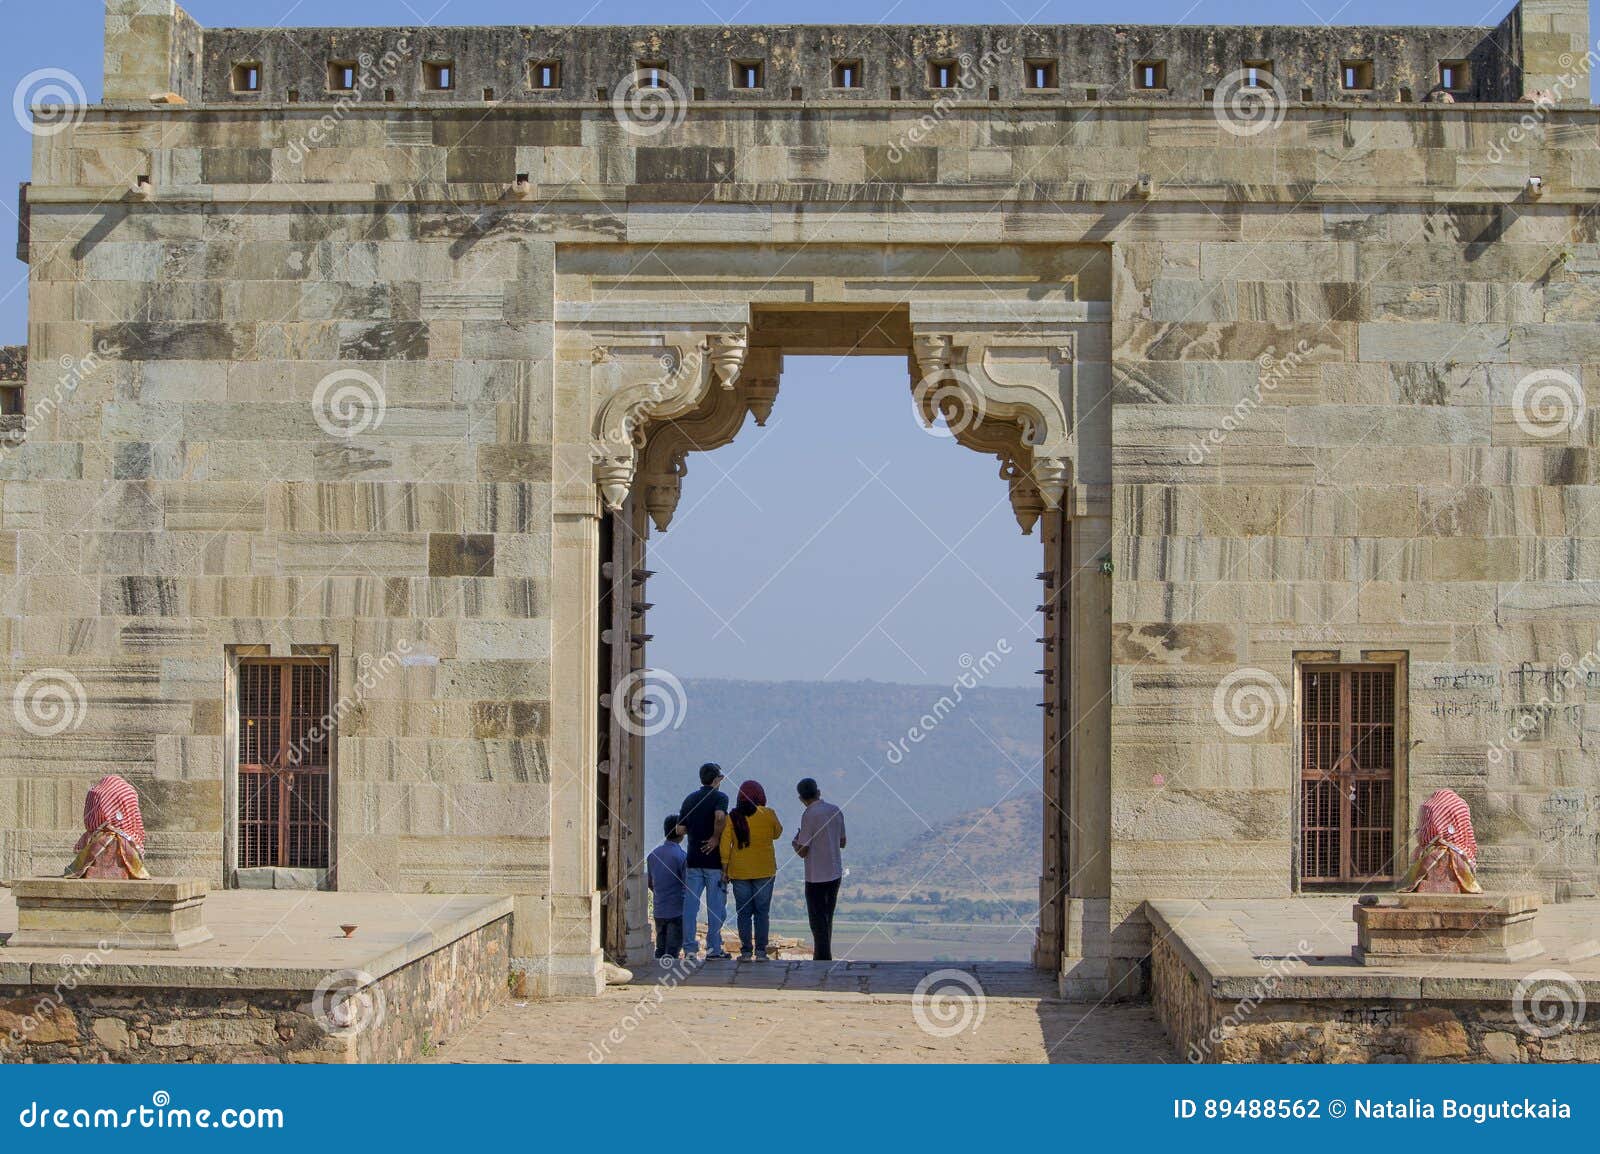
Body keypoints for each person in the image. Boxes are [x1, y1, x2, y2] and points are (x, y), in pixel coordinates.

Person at [720, 779, 782, 961]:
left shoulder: (733, 817)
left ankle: (746, 951)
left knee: (744, 913)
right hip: (765, 871)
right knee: (762, 913)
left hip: (739, 872)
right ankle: (761, 952)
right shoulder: (768, 814)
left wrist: (725, 869)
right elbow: (777, 833)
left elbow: (725, 845)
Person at [678, 763, 732, 959]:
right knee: (715, 907)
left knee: (690, 907)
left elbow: (680, 830)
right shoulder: (720, 798)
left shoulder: (690, 799)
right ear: (716, 779)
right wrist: (715, 838)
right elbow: (719, 817)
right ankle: (713, 949)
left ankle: (690, 949)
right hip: (714, 862)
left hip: (693, 858)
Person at [791, 777, 846, 961]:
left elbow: (803, 850)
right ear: (819, 792)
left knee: (817, 920)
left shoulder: (809, 815)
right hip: (835, 872)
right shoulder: (835, 810)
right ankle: (824, 955)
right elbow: (842, 842)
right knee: (827, 917)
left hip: (816, 875)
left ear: (801, 798)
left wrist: (795, 844)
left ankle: (822, 958)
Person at [646, 813, 688, 960]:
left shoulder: (653, 855)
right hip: (677, 909)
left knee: (660, 946)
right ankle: (668, 975)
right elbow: (687, 884)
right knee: (673, 950)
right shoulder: (681, 856)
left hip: (659, 909)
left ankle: (657, 971)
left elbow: (650, 882)